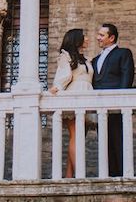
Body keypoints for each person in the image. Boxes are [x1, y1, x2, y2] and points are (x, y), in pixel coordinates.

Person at [92, 23, 134, 177]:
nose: (98, 38)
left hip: (117, 105)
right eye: (98, 34)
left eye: (102, 35)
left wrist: (121, 101)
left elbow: (126, 77)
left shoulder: (123, 53)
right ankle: (109, 175)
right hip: (99, 107)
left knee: (119, 140)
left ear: (111, 38)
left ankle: (123, 175)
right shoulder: (95, 59)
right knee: (104, 142)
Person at [49, 28, 92, 177]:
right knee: (76, 136)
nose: (87, 39)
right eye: (84, 36)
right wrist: (57, 87)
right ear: (76, 39)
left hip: (87, 96)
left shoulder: (84, 59)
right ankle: (80, 174)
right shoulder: (65, 56)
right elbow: (64, 74)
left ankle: (68, 175)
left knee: (79, 138)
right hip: (74, 96)